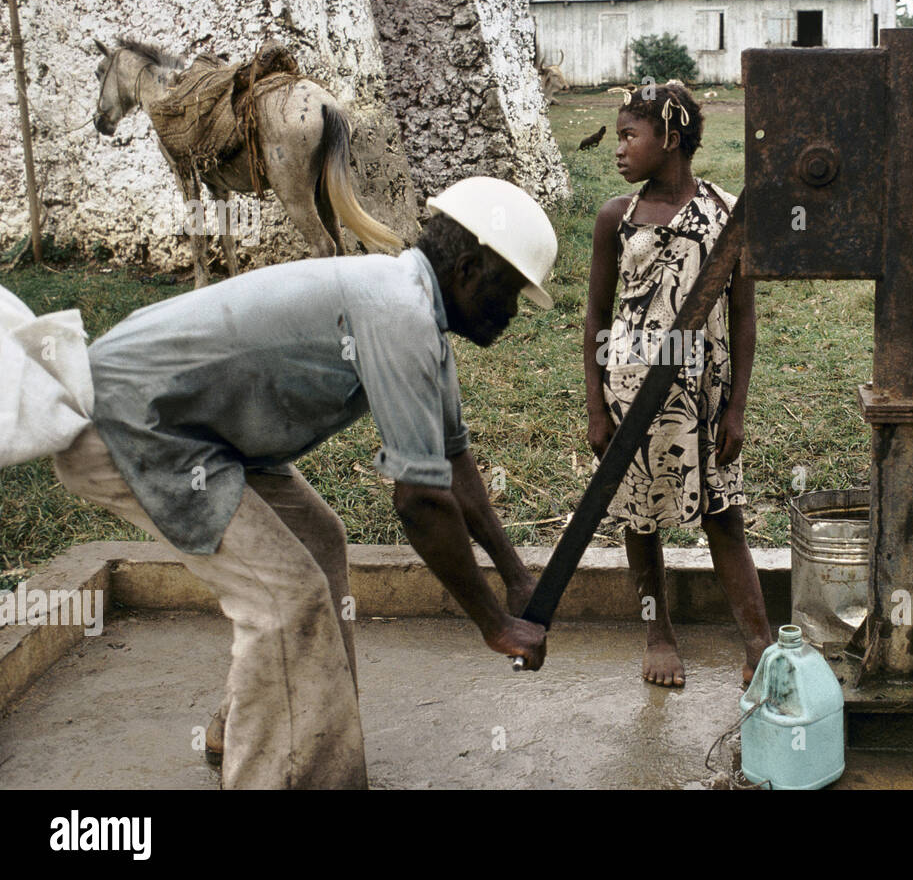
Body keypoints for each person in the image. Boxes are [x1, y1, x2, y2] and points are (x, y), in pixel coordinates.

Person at [53, 177, 555, 787]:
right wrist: (494, 623)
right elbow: (421, 502)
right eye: (510, 293)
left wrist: (516, 577)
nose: (512, 312)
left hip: (201, 427)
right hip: (135, 423)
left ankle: (261, 724)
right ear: (470, 270)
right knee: (284, 598)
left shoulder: (413, 309)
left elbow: (454, 467)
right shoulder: (398, 312)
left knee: (319, 542)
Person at [585, 81, 772, 688]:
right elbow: (596, 316)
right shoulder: (617, 217)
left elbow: (743, 316)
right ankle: (658, 633)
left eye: (629, 136)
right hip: (631, 396)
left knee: (724, 517)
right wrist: (596, 406)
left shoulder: (726, 213)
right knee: (641, 520)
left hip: (705, 396)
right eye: (617, 137)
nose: (619, 148)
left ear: (669, 138)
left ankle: (760, 644)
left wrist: (736, 408)